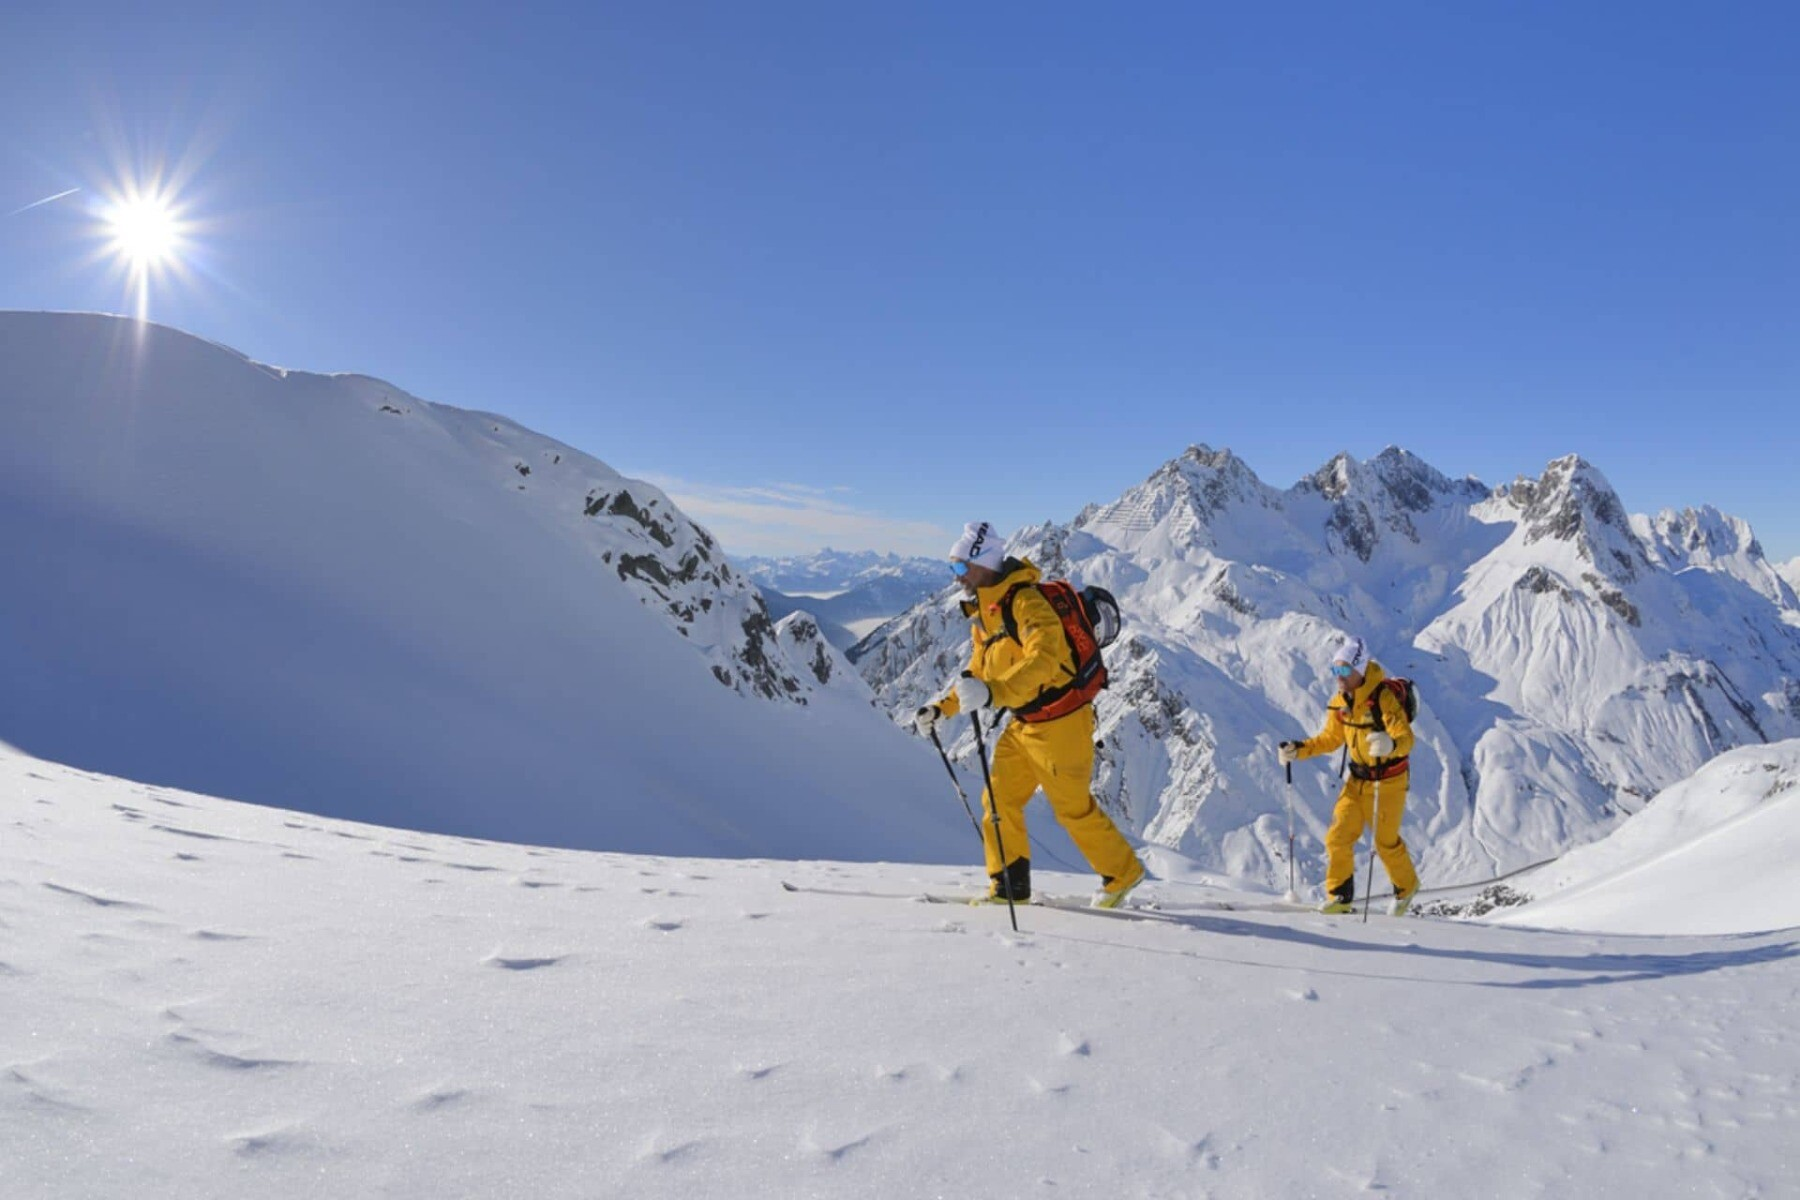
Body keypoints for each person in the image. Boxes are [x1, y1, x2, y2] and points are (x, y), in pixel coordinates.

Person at [913, 521, 1146, 909]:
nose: (956, 577)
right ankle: (1009, 888)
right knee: (998, 800)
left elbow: (1045, 659)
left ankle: (1123, 874)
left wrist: (994, 693)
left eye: (960, 567)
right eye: (953, 567)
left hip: (1062, 723)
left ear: (983, 563)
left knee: (1072, 809)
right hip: (1024, 723)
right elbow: (978, 672)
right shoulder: (986, 612)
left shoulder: (1026, 603)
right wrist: (942, 708)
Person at [1277, 635, 1420, 915]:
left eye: (1344, 669)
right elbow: (1330, 739)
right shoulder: (1340, 702)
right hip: (1356, 781)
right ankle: (1340, 898)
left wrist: (1390, 745)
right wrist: (1298, 750)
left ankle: (1407, 886)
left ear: (1360, 668)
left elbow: (1406, 738)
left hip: (1388, 782)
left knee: (1385, 842)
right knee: (1338, 837)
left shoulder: (1383, 699)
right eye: (1335, 669)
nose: (1338, 676)